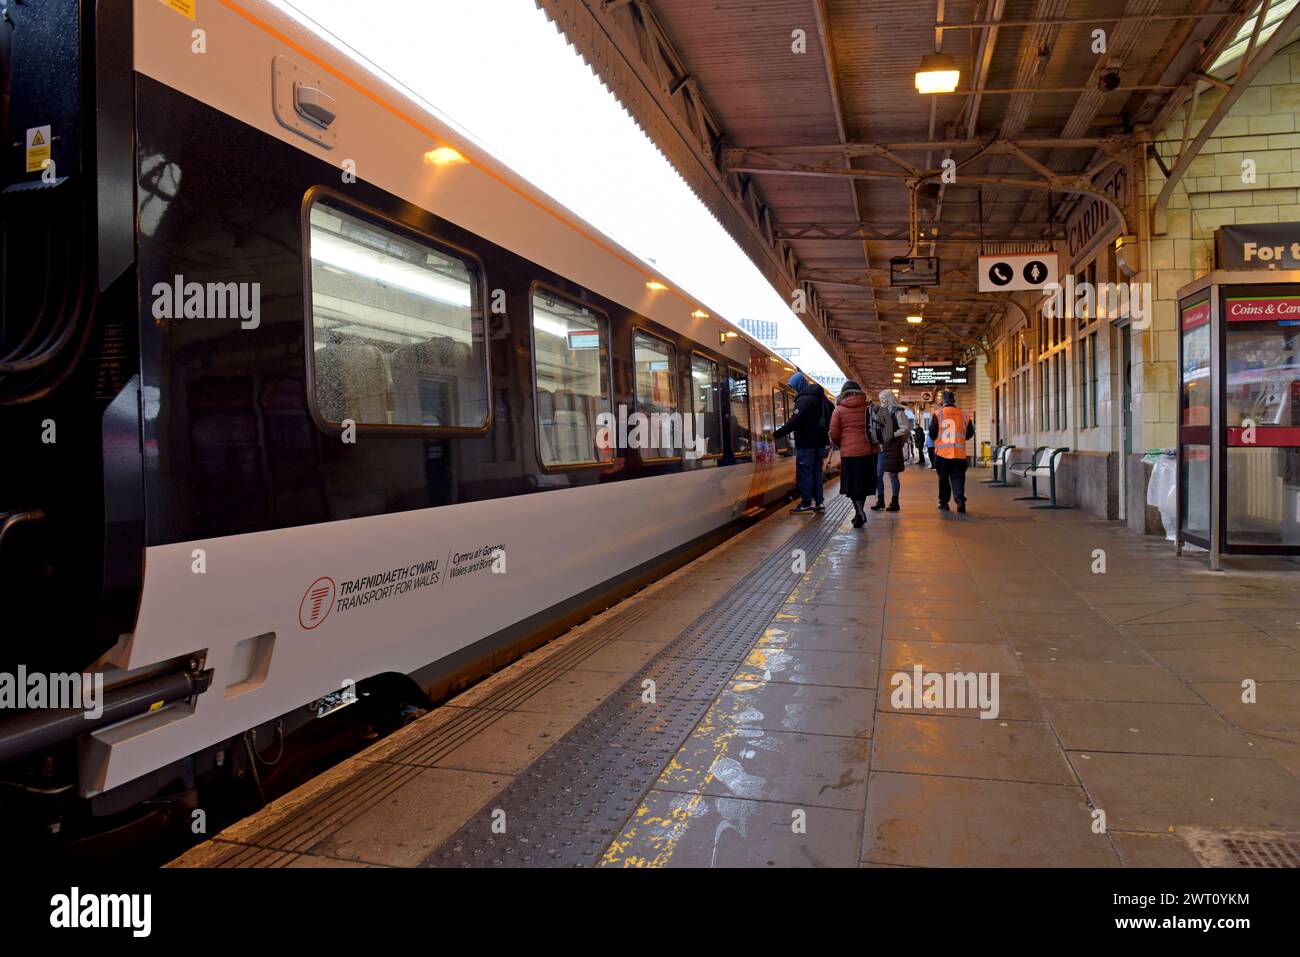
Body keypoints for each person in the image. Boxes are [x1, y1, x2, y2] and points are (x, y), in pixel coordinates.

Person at [774, 371, 831, 514]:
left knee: (805, 472)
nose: (794, 390)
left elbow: (794, 422)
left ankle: (806, 503)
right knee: (817, 472)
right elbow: (832, 411)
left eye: (794, 386)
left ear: (799, 384)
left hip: (806, 443)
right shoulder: (821, 397)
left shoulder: (805, 399)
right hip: (820, 443)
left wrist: (776, 434)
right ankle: (819, 503)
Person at [827, 380, 878, 528]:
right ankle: (859, 513)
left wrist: (841, 444)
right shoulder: (868, 407)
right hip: (868, 452)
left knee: (852, 485)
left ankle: (859, 511)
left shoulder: (839, 410)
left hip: (849, 453)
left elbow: (833, 432)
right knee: (863, 484)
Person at [929, 389, 976, 513]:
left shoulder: (938, 414)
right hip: (959, 454)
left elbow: (932, 434)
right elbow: (970, 433)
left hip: (942, 454)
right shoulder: (964, 415)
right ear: (954, 401)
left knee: (943, 479)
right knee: (959, 478)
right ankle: (960, 501)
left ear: (942, 402)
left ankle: (944, 503)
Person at [870, 389, 910, 513]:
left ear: (889, 399)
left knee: (893, 474)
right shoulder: (881, 412)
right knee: (878, 475)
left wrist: (893, 434)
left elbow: (906, 428)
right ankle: (880, 500)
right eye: (880, 399)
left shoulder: (898, 412)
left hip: (893, 447)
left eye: (884, 399)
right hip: (882, 447)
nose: (882, 402)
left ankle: (895, 501)